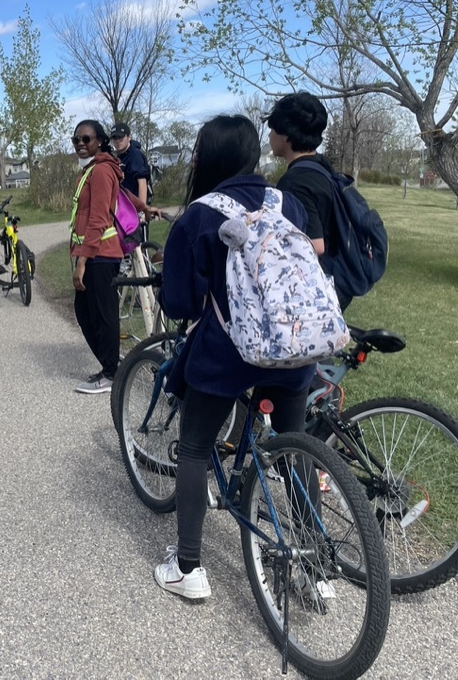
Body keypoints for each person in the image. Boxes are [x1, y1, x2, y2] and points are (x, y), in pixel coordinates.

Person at [154, 114, 317, 599]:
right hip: (292, 346)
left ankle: (188, 568)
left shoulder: (200, 214)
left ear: (209, 158)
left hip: (229, 352)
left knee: (196, 447)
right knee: (294, 444)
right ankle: (314, 564)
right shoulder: (287, 202)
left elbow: (181, 303)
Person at [69, 120, 159, 394]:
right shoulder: (100, 168)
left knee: (102, 314)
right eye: (77, 140)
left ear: (100, 141)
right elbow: (121, 195)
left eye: (87, 139)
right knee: (87, 312)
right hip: (93, 253)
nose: (81, 145)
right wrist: (144, 206)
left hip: (100, 254)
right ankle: (111, 364)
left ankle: (111, 373)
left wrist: (82, 262)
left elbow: (98, 218)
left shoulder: (100, 170)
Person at [266, 91, 351, 310]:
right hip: (337, 276)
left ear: (285, 134)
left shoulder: (296, 181)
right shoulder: (320, 166)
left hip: (317, 287)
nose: (269, 136)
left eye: (272, 129)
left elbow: (315, 245)